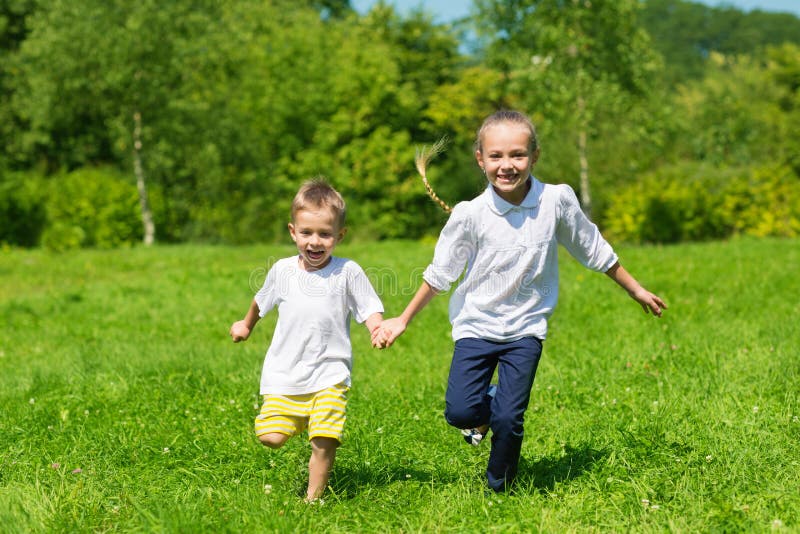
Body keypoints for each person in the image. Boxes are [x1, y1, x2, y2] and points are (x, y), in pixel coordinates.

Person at [373, 110, 666, 493]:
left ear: (535, 155)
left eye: (517, 155)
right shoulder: (469, 215)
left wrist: (634, 288)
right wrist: (403, 319)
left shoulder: (555, 201)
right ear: (480, 158)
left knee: (509, 419)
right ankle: (486, 410)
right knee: (460, 410)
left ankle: (501, 488)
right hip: (476, 325)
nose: (506, 165)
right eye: (496, 156)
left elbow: (591, 246)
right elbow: (440, 273)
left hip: (526, 329)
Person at [230, 179, 384, 502]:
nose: (315, 242)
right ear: (292, 232)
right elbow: (261, 301)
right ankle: (301, 418)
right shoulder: (282, 271)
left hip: (331, 372)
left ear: (339, 236)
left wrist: (377, 328)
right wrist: (246, 326)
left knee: (325, 439)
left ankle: (312, 500)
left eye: (325, 234)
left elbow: (369, 307)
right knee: (271, 437)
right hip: (286, 373)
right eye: (307, 233)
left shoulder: (348, 272)